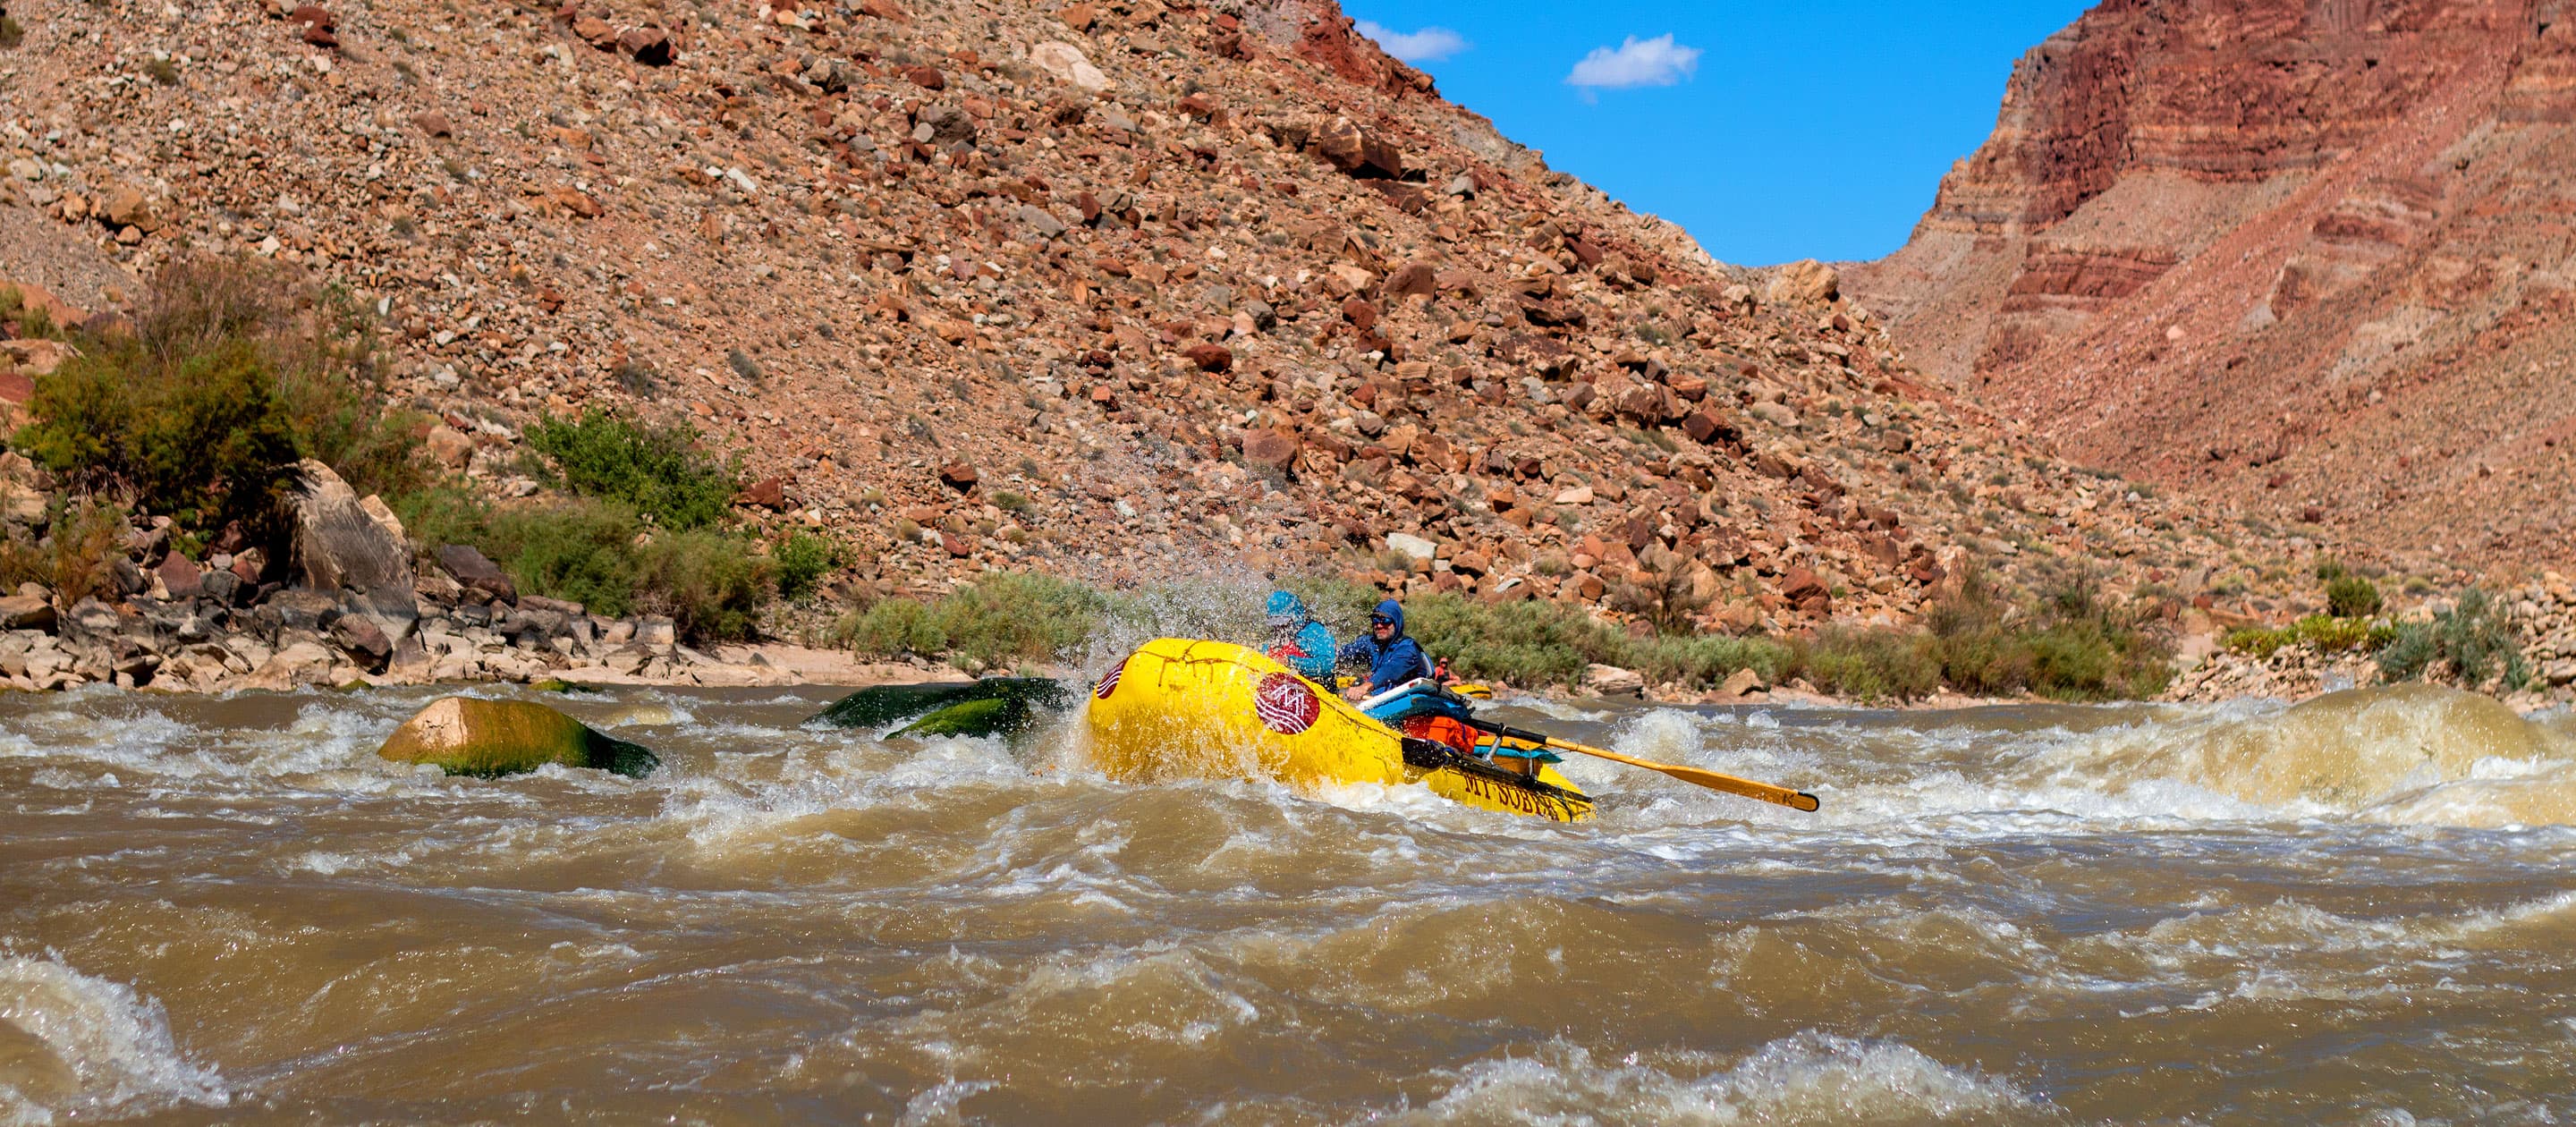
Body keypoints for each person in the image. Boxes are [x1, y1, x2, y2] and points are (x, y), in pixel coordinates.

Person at [1336, 598, 1434, 700]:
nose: (1379, 625)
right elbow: (1345, 652)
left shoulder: (1408, 648)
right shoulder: (1370, 643)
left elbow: (1392, 669)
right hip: (1381, 696)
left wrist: (1365, 687)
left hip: (1412, 699)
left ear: (1396, 622)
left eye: (1385, 620)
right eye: (1375, 620)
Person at [1263, 590, 1337, 682]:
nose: (1279, 626)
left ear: (1295, 616)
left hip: (1318, 692)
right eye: (1275, 623)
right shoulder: (1279, 635)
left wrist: (1291, 662)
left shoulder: (1315, 631)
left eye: (1283, 622)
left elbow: (1328, 665)